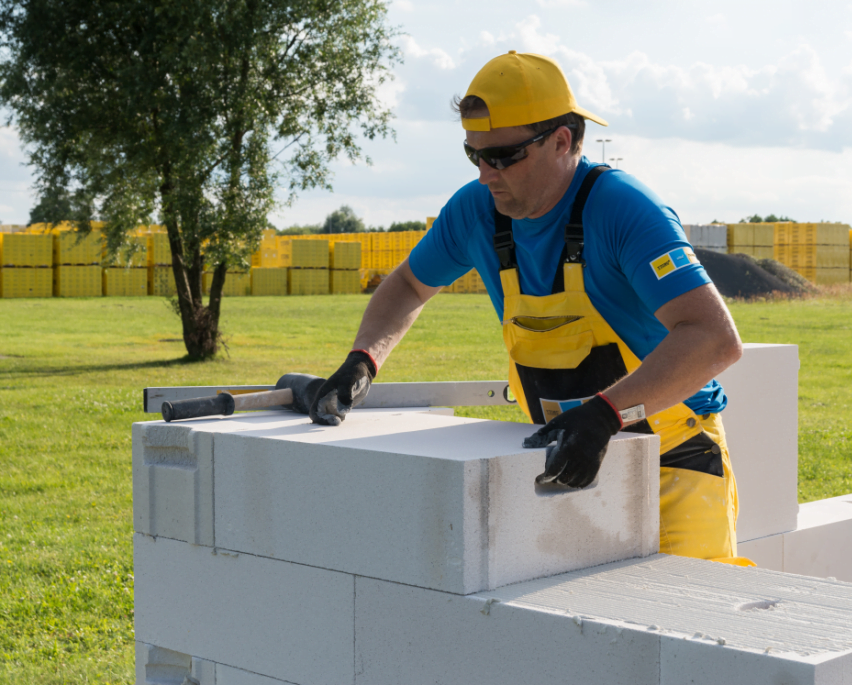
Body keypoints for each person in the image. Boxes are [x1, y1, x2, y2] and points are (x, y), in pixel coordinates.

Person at [308, 51, 746, 562]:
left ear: (561, 141)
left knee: (684, 609)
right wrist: (364, 359)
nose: (485, 176)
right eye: (473, 155)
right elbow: (408, 283)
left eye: (502, 156)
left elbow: (713, 339)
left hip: (671, 466)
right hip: (560, 456)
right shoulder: (476, 212)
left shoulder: (623, 209)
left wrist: (606, 415)